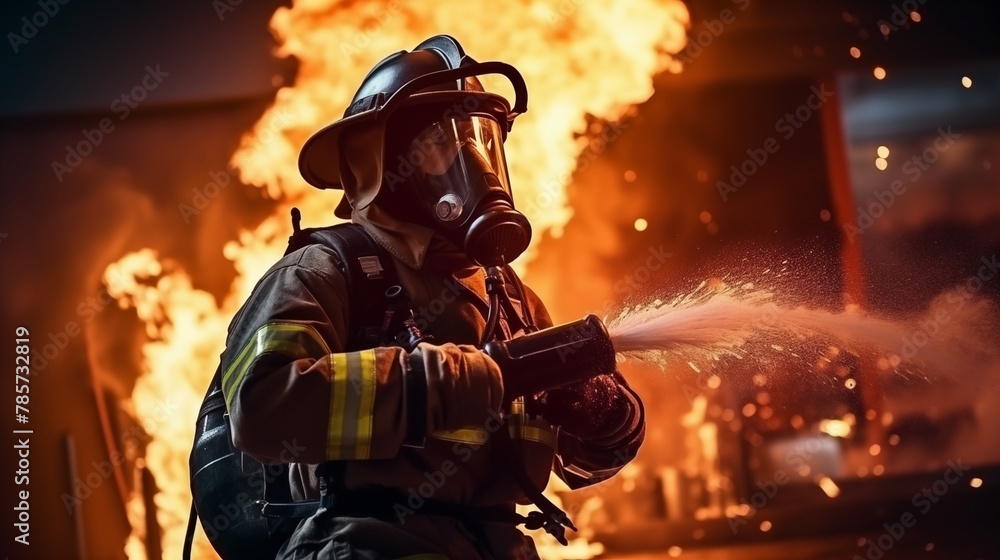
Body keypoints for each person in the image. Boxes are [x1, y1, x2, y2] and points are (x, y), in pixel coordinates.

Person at [220, 35, 645, 560]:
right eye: (440, 144)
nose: (475, 165)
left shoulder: (513, 300)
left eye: (482, 141)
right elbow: (260, 408)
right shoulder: (326, 271)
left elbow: (578, 465)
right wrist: (450, 381)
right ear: (378, 164)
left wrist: (603, 416)